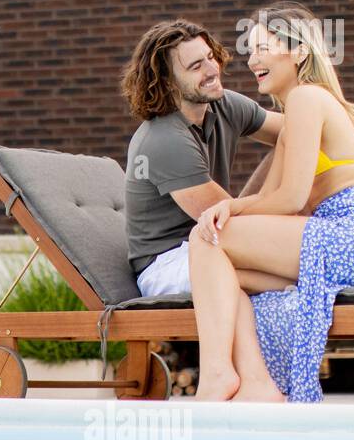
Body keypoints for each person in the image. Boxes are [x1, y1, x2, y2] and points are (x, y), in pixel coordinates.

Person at [188, 1, 354, 402]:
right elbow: (273, 198)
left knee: (207, 239)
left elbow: (291, 199)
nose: (253, 60)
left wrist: (229, 208)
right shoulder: (296, 113)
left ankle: (218, 376)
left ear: (300, 51)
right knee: (222, 271)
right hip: (346, 244)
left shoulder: (308, 97)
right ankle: (256, 383)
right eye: (250, 51)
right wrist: (236, 208)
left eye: (264, 48)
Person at [121, 19, 284, 298]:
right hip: (168, 264)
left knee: (291, 142)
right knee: (286, 273)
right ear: (166, 82)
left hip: (209, 242)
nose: (212, 70)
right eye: (196, 67)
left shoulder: (223, 105)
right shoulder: (164, 140)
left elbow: (295, 131)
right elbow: (225, 225)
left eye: (210, 57)